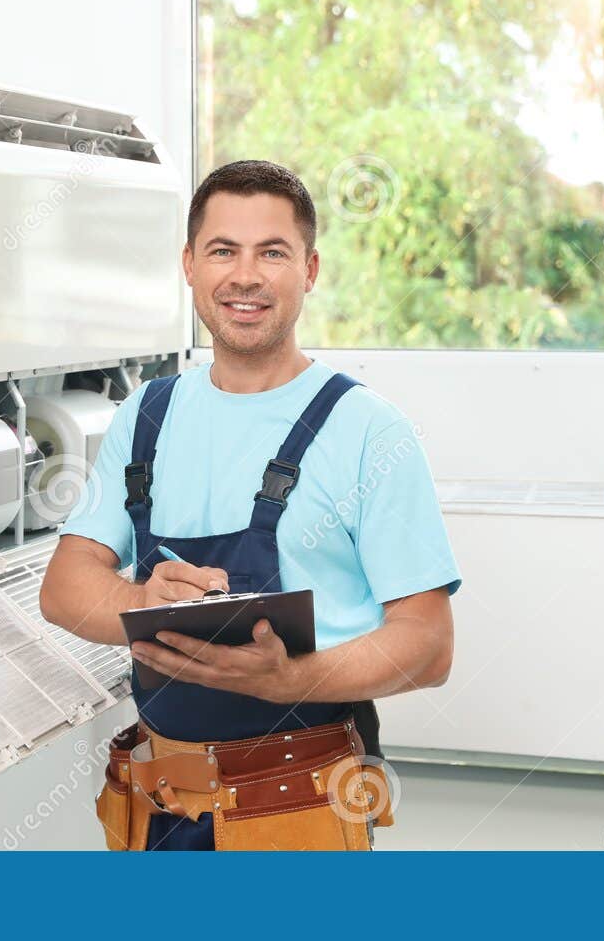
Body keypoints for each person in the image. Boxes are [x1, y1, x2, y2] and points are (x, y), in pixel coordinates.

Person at [39, 158, 460, 850]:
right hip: (158, 809)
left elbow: (429, 641)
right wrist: (140, 601)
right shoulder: (147, 414)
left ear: (310, 269)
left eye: (272, 252)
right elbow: (64, 587)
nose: (245, 275)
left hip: (301, 811)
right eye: (223, 251)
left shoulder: (368, 430)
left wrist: (290, 678)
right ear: (189, 264)